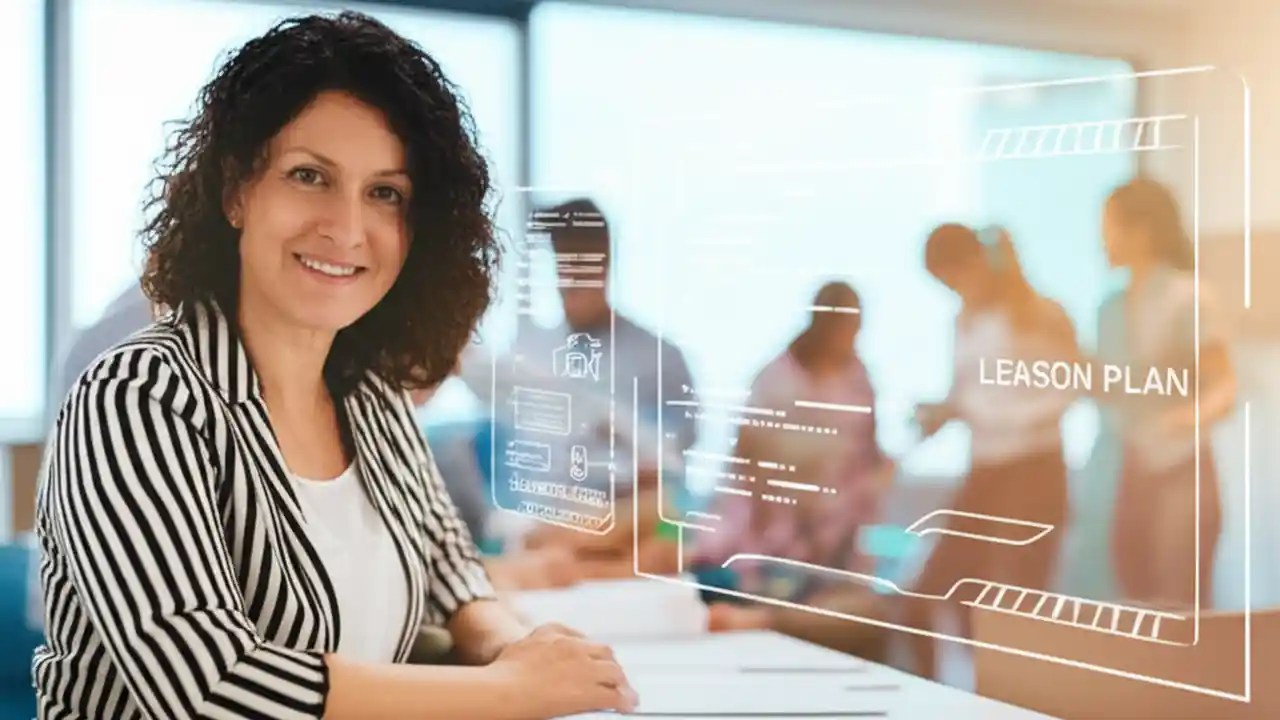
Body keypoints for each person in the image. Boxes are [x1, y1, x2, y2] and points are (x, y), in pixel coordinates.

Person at [32, 13, 635, 720]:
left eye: (386, 193)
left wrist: (515, 647)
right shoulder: (134, 399)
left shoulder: (370, 397)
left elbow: (450, 573)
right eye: (309, 176)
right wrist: (508, 690)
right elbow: (208, 688)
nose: (347, 229)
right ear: (235, 191)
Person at [460, 198, 698, 568]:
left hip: (621, 529)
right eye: (562, 265)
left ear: (605, 262)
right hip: (535, 530)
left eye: (581, 264)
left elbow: (669, 474)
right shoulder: (528, 352)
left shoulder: (659, 359)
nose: (569, 280)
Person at [905, 223, 1079, 679]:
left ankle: (1016, 694)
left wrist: (986, 413)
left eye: (952, 279)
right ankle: (951, 694)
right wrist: (942, 414)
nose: (953, 291)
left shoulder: (1039, 313)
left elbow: (1069, 388)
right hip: (985, 473)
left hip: (1034, 470)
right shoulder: (963, 321)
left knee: (1016, 602)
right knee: (927, 595)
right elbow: (965, 394)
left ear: (974, 264)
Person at [692, 281, 893, 618]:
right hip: (775, 515)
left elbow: (868, 441)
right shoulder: (777, 378)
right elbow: (748, 452)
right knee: (770, 595)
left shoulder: (858, 376)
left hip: (837, 519)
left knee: (830, 605)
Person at [1099, 178, 1234, 608]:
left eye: (1109, 225)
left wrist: (1182, 419)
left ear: (1142, 231)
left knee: (1183, 608)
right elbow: (1110, 389)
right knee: (1136, 601)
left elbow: (1224, 386)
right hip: (1132, 468)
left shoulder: (1187, 298)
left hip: (1184, 469)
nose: (1101, 238)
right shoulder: (1109, 308)